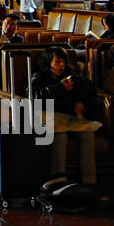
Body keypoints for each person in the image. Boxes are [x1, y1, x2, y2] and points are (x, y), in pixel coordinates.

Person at [30, 47, 98, 185]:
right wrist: (60, 87)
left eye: (63, 62)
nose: (61, 65)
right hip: (48, 119)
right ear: (49, 62)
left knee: (87, 133)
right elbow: (35, 96)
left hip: (69, 118)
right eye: (57, 61)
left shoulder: (69, 74)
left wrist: (79, 100)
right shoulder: (39, 76)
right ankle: (58, 179)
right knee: (60, 136)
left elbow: (88, 86)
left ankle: (89, 181)